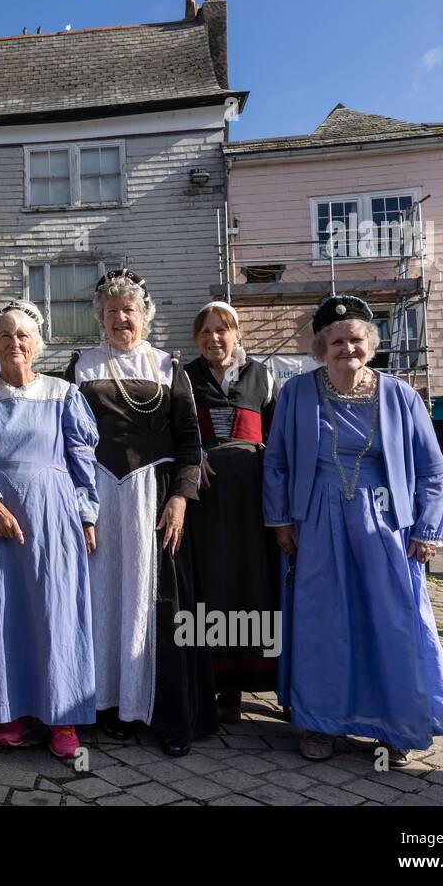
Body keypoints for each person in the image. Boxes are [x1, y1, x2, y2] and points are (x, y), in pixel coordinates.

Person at [265, 295, 443, 764]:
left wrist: (428, 529)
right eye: (336, 341)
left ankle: (394, 726)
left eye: (355, 340)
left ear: (370, 345)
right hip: (317, 518)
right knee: (321, 622)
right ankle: (318, 724)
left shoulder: (401, 395)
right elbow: (277, 463)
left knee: (390, 620)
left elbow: (433, 469)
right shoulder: (296, 393)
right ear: (320, 348)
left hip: (386, 522)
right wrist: (281, 521)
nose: (346, 349)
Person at [66, 269, 215, 757]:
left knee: (157, 604)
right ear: (101, 318)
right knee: (105, 599)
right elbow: (66, 439)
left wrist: (180, 497)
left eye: (128, 309)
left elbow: (190, 441)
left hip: (153, 498)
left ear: (145, 315)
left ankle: (165, 713)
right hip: (100, 497)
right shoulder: (81, 365)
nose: (120, 318)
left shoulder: (170, 368)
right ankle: (110, 707)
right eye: (111, 311)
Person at [0, 299, 99, 761]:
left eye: (22, 335)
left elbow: (82, 457)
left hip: (54, 517)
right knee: (2, 611)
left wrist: (87, 513)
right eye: (4, 335)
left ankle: (62, 716)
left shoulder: (63, 393)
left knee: (56, 611)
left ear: (37, 343)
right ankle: (8, 712)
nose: (14, 342)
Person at [184, 301, 281, 723]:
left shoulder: (263, 376)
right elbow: (176, 430)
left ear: (237, 334)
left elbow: (278, 438)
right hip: (206, 500)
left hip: (251, 498)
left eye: (221, 330)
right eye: (205, 332)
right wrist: (193, 454)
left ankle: (254, 677)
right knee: (211, 585)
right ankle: (217, 683)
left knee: (252, 584)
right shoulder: (183, 377)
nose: (214, 338)